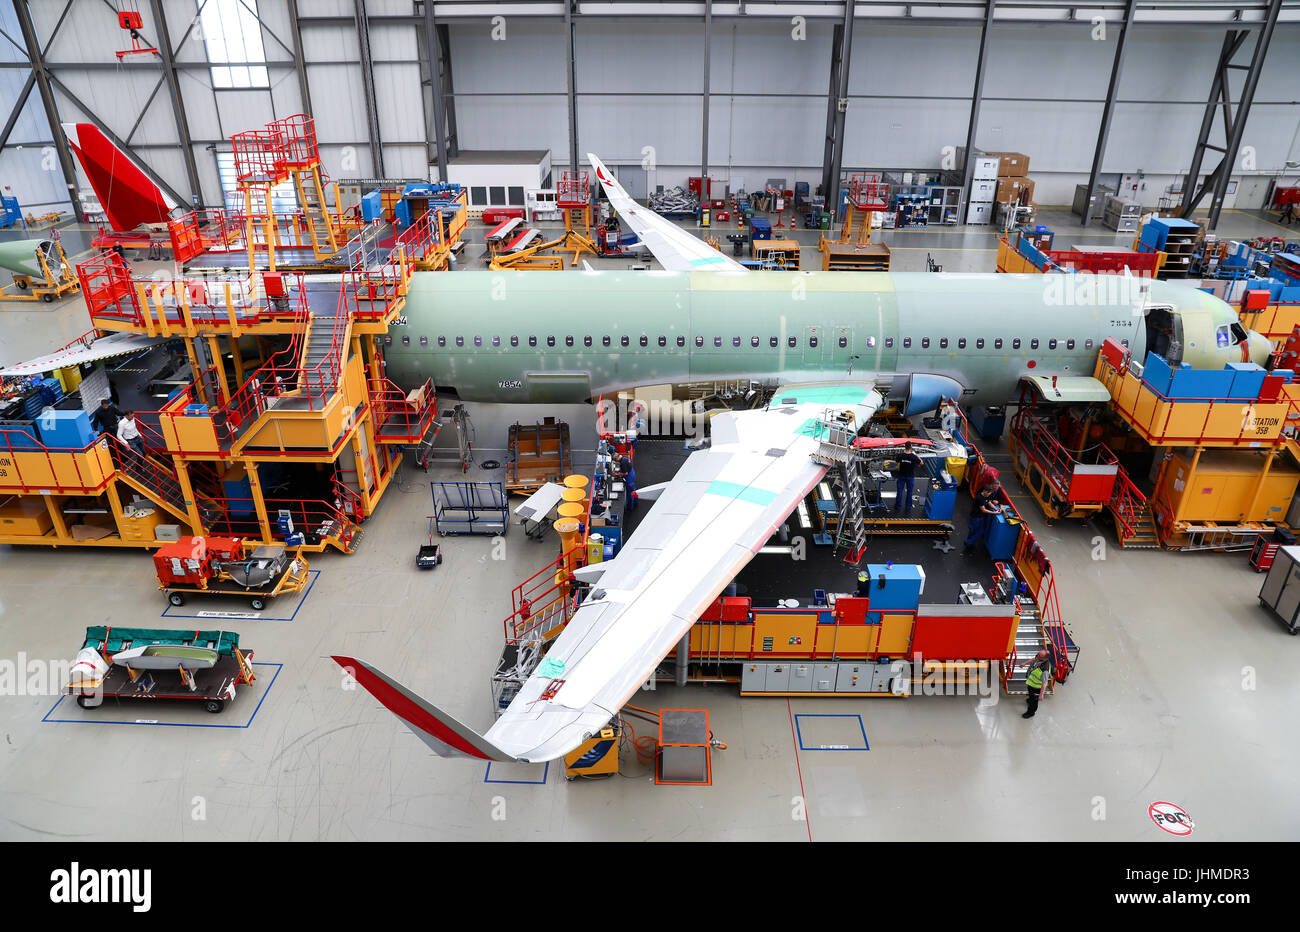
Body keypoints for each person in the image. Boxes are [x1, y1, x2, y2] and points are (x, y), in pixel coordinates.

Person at [962, 479, 1002, 554]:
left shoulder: (986, 496)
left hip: (979, 517)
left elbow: (989, 502)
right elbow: (983, 510)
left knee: (973, 530)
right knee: (979, 531)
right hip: (976, 517)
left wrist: (996, 508)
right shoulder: (980, 498)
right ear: (985, 491)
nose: (990, 494)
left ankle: (969, 542)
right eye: (989, 493)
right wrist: (994, 513)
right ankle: (968, 542)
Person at [893, 443, 923, 515]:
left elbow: (896, 461)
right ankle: (908, 507)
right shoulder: (913, 457)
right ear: (911, 447)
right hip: (910, 477)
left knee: (899, 492)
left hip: (901, 476)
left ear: (905, 447)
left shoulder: (900, 455)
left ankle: (898, 507)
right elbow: (921, 463)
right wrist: (917, 456)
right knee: (909, 492)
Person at [1023, 650, 1052, 718]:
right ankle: (1030, 699)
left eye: (1040, 656)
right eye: (1038, 654)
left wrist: (1041, 695)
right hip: (1031, 684)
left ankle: (1031, 712)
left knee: (1034, 702)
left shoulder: (1045, 670)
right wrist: (1024, 663)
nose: (1037, 657)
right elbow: (1034, 659)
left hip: (1036, 688)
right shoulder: (1039, 657)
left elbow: (1044, 683)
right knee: (1031, 696)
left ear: (1045, 658)